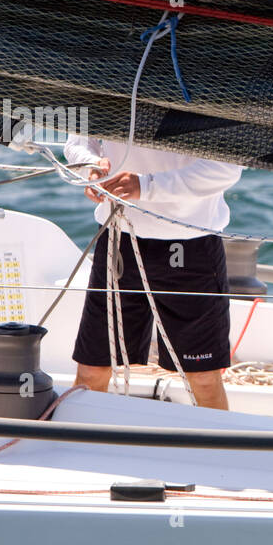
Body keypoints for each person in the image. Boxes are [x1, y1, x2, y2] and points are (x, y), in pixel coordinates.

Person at [65, 135, 242, 410]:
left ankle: (218, 453)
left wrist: (145, 186)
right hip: (117, 236)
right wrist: (89, 167)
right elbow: (79, 137)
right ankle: (74, 448)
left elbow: (227, 168)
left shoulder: (216, 90)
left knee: (203, 378)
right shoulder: (110, 89)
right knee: (92, 371)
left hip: (190, 242)